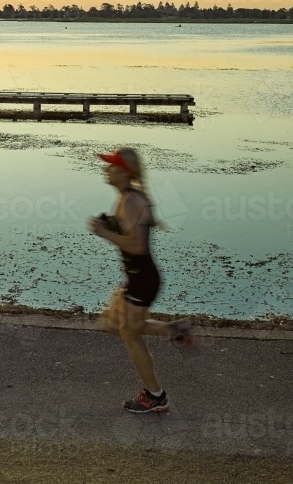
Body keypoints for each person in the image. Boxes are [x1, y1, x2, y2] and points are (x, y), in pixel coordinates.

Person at [89, 147, 193, 413]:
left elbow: (137, 247)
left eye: (112, 166)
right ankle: (175, 330)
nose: (106, 169)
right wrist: (112, 223)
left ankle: (155, 396)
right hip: (135, 278)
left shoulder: (133, 201)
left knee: (129, 334)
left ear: (124, 173)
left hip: (143, 280)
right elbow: (129, 232)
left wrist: (104, 232)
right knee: (113, 324)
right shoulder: (127, 198)